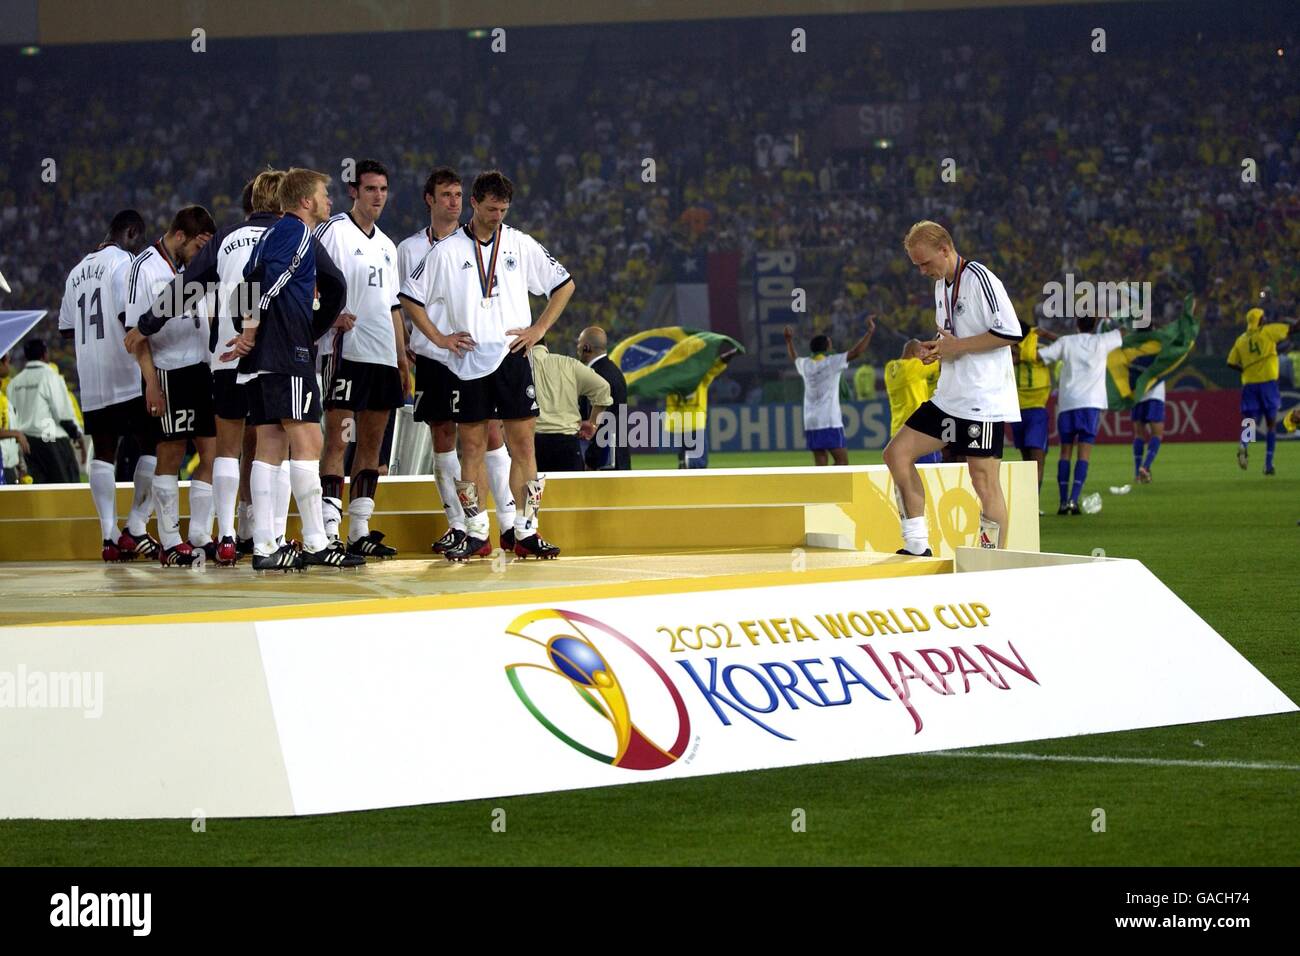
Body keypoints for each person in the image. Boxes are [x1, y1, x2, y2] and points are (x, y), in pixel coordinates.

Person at [399, 170, 575, 561]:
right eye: (491, 209)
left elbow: (564, 284)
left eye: (503, 210)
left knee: (525, 444)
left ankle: (526, 530)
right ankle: (477, 531)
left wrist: (539, 328)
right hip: (467, 361)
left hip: (512, 356)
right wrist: (440, 338)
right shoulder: (445, 252)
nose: (497, 216)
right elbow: (410, 297)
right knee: (472, 447)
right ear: (475, 203)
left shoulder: (520, 243)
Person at [144, 171, 285, 565]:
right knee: (275, 447)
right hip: (273, 357)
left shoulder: (224, 239)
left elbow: (189, 285)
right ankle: (266, 535)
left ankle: (224, 538)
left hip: (225, 356)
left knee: (227, 448)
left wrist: (147, 324)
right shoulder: (289, 235)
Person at [223, 167, 361, 570]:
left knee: (269, 443)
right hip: (287, 351)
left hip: (266, 355)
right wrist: (251, 329)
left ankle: (266, 546)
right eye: (324, 194)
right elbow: (272, 281)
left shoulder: (269, 234)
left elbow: (246, 284)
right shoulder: (297, 233)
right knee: (307, 441)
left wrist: (248, 331)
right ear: (306, 201)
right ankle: (318, 542)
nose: (329, 201)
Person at [882, 221, 1024, 556]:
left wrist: (956, 348)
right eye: (916, 265)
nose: (922, 271)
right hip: (949, 397)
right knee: (896, 455)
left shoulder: (981, 279)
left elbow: (1010, 332)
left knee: (983, 481)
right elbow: (955, 338)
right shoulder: (941, 286)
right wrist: (936, 349)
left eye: (925, 263)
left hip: (981, 399)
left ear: (945, 250)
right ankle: (917, 545)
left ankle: (989, 561)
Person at [399, 167, 518, 553]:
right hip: (436, 357)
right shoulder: (410, 249)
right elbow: (403, 302)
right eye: (445, 194)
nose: (452, 200)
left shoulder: (488, 243)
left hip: (475, 356)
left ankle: (510, 519)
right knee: (444, 438)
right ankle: (460, 522)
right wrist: (424, 342)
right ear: (429, 200)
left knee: (492, 434)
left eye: (456, 194)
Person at [56, 209, 161, 560]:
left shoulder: (75, 272)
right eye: (139, 239)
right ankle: (134, 524)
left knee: (103, 451)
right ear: (131, 232)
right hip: (126, 372)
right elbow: (128, 319)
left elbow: (68, 327)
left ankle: (108, 536)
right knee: (153, 444)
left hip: (91, 376)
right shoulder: (125, 265)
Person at [313, 159, 404, 558]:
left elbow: (394, 305)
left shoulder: (387, 244)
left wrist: (401, 358)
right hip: (346, 352)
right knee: (337, 439)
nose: (378, 196)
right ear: (354, 191)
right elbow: (306, 277)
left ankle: (360, 528)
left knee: (372, 443)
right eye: (370, 189)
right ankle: (330, 529)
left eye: (383, 189)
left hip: (382, 355)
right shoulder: (333, 231)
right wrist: (328, 315)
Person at [123, 205, 218, 565]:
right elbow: (135, 335)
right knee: (171, 454)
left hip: (200, 368)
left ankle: (197, 533)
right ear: (180, 237)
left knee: (211, 452)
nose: (201, 255)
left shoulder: (191, 268)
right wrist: (151, 382)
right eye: (198, 246)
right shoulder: (144, 268)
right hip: (168, 370)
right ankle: (168, 539)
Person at [1034, 316, 1123, 515]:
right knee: (1084, 453)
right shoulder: (1102, 341)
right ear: (1094, 326)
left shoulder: (1066, 342)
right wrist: (1108, 319)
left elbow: (1041, 356)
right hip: (1091, 404)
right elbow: (1123, 332)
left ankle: (1063, 501)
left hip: (1068, 404)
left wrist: (1047, 336)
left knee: (1065, 452)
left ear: (1076, 326)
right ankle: (1074, 501)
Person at [784, 316, 875, 466]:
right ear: (827, 348)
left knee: (821, 463)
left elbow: (794, 358)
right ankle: (835, 489)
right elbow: (856, 352)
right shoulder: (832, 362)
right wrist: (870, 332)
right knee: (842, 462)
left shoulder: (805, 364)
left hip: (810, 421)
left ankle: (820, 489)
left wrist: (788, 341)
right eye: (830, 345)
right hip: (829, 420)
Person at [1228, 307, 1298, 476]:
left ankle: (1244, 444)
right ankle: (1268, 464)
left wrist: (1245, 369)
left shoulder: (1241, 340)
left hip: (1250, 385)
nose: (1265, 319)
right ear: (1260, 320)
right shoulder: (1268, 332)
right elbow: (1294, 329)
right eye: (1263, 317)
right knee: (1271, 423)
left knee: (1250, 420)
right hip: (1268, 384)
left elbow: (1230, 362)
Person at [7, 338, 84, 484]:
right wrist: (76, 434)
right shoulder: (51, 377)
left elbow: (14, 415)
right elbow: (62, 413)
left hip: (28, 444)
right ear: (44, 354)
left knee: (39, 490)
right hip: (52, 440)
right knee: (66, 488)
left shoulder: (14, 383)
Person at [530, 334, 610, 471]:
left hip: (530, 446)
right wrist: (593, 423)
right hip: (567, 446)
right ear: (546, 346)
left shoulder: (515, 368)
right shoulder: (569, 364)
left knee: (532, 492)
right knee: (571, 492)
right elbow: (603, 387)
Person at [1010, 320, 1056, 498]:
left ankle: (1034, 502)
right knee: (1027, 461)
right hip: (1016, 408)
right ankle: (1029, 503)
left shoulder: (1038, 344)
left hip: (1036, 407)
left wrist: (1044, 334)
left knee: (1037, 457)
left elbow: (1060, 344)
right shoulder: (1006, 346)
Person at [577, 326, 630, 470]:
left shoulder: (598, 375)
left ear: (587, 347)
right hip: (616, 455)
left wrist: (592, 460)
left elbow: (604, 422)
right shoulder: (612, 370)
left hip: (606, 461)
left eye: (579, 344)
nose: (577, 348)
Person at [883, 339, 941, 465]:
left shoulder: (890, 368)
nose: (926, 356)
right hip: (919, 431)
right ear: (917, 352)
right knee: (928, 474)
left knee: (904, 476)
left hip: (898, 431)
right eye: (924, 353)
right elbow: (940, 360)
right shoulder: (913, 367)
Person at [0, 352, 31, 483]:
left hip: (8, 465)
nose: (9, 366)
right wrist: (16, 434)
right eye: (7, 361)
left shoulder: (4, 398)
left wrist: (19, 464)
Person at [1130, 377, 1166, 483]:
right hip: (1155, 394)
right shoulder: (1158, 359)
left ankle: (1137, 474)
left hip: (1138, 393)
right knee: (1157, 434)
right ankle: (1145, 467)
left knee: (1138, 435)